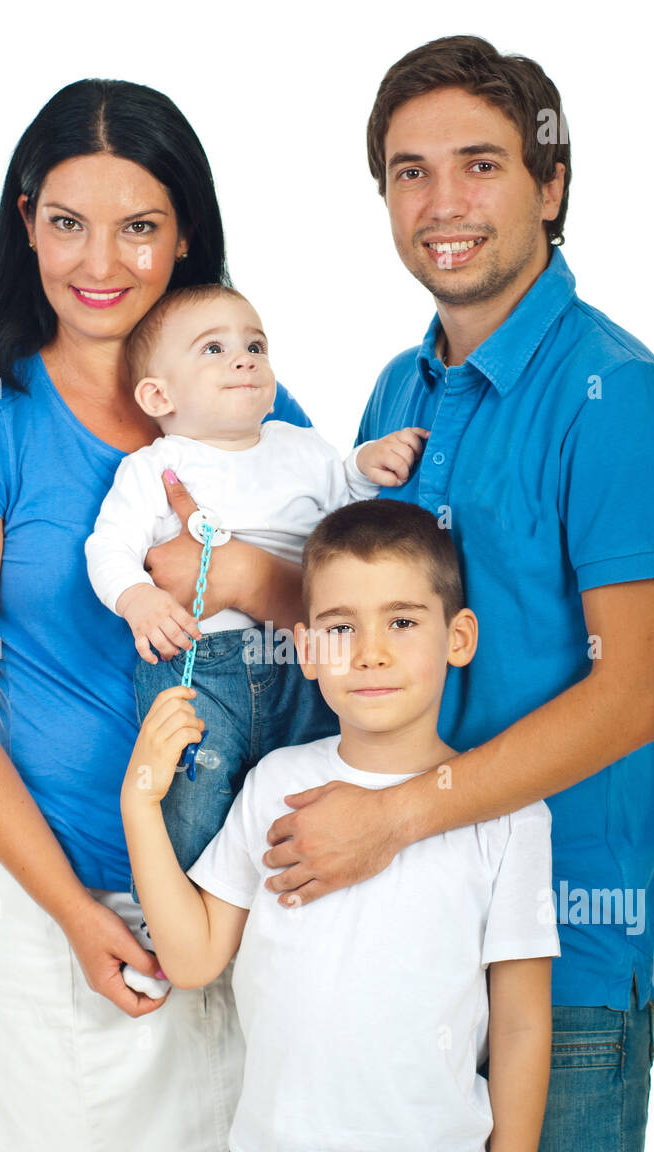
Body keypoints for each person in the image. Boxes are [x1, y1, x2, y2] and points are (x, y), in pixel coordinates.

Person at [255, 36, 654, 1152]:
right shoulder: (403, 384)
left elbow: (629, 695)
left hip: (567, 958)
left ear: (550, 186)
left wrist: (394, 819)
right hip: (409, 943)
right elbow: (357, 627)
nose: (442, 205)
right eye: (409, 173)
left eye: (481, 166)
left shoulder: (616, 393)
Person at [0, 78, 327, 1152]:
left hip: (253, 893)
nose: (103, 260)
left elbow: (332, 614)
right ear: (25, 222)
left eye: (139, 225)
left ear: (184, 231)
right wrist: (79, 918)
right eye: (70, 222)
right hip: (83, 905)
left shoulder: (244, 396)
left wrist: (234, 566)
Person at [122, 498, 561, 1152]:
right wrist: (139, 807)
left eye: (401, 622)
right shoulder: (277, 784)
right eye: (340, 627)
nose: (369, 654)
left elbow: (525, 1026)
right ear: (305, 649)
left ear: (457, 638)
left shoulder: (508, 818)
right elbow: (190, 956)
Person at [85, 281, 425, 986]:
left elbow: (348, 515)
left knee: (305, 786)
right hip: (196, 662)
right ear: (158, 398)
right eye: (214, 349)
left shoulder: (300, 448)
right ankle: (167, 925)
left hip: (301, 663)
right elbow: (107, 548)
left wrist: (366, 465)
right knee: (195, 794)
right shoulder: (155, 468)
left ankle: (287, 929)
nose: (243, 360)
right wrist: (139, 597)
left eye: (255, 346)